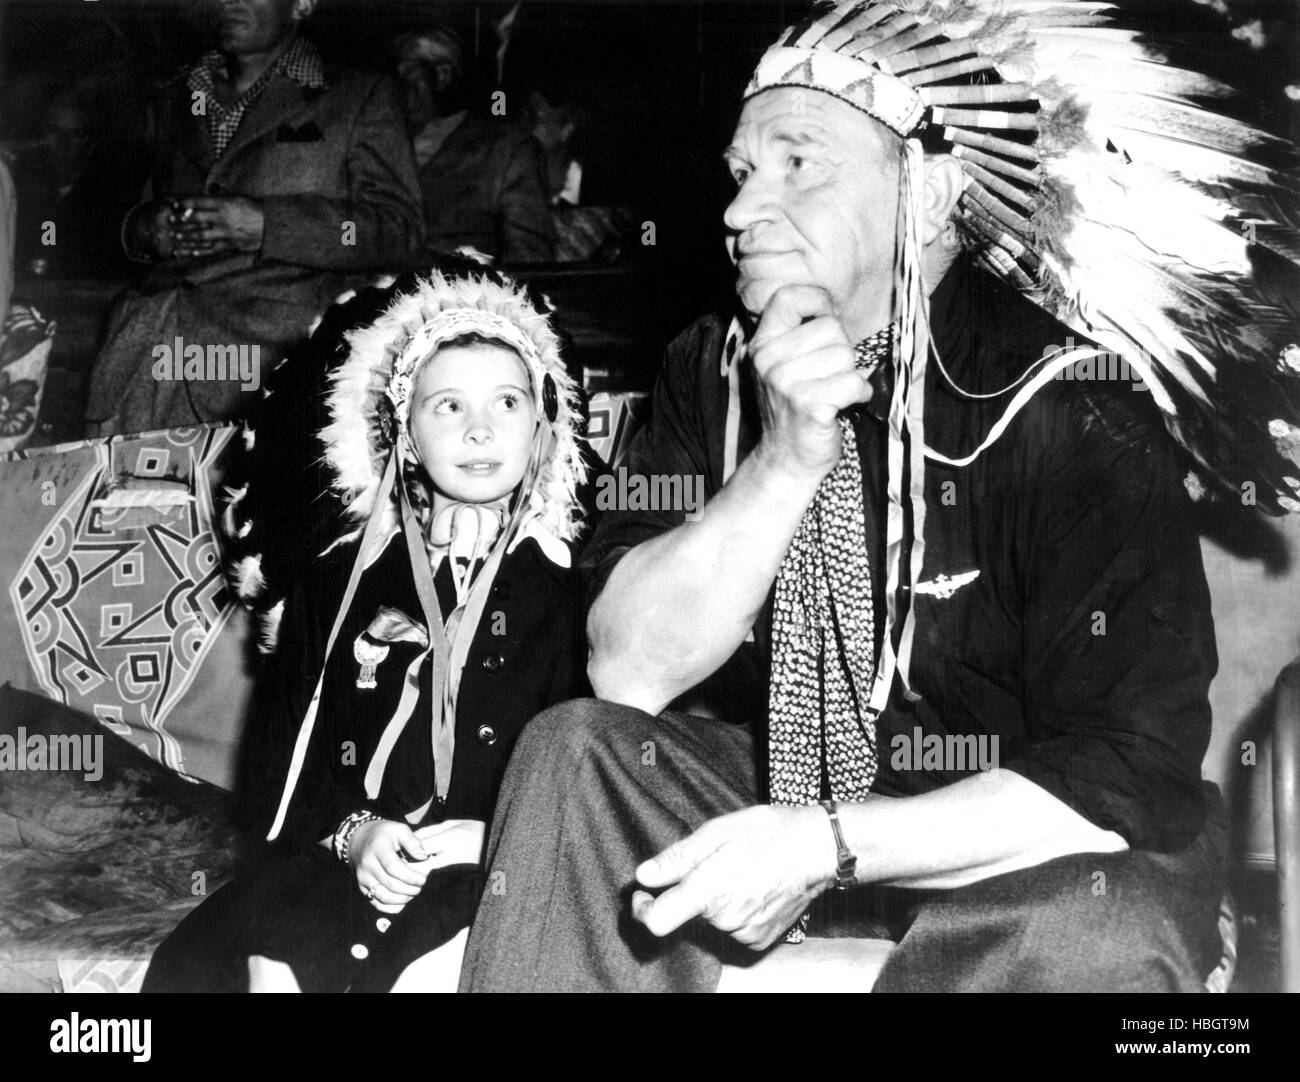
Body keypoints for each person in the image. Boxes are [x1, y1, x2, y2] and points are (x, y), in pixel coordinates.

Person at [457, 0, 1300, 992]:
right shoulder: (705, 365)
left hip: (1023, 833)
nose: (736, 212)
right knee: (573, 755)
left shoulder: (1068, 402)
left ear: (933, 191)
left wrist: (827, 842)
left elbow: (1128, 771)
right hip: (787, 785)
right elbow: (628, 671)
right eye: (740, 174)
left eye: (797, 165)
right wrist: (784, 461)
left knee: (1088, 929)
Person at [142, 266, 590, 992]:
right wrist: (354, 836)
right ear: (403, 434)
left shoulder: (577, 594)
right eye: (447, 406)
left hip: (499, 870)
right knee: (271, 955)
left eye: (507, 401)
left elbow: (593, 771)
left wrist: (498, 843)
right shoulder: (336, 582)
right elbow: (281, 777)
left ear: (540, 423)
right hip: (335, 865)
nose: (480, 429)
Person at [84, 0, 422, 437]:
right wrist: (148, 229)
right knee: (131, 500)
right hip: (146, 351)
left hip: (273, 364)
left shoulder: (359, 95)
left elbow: (398, 229)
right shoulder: (177, 95)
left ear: (302, 4)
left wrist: (265, 225)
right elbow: (126, 215)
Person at [394, 29, 554, 265]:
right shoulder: (369, 145)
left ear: (442, 74)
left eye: (403, 70)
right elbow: (348, 237)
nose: (390, 83)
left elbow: (528, 260)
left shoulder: (506, 150)